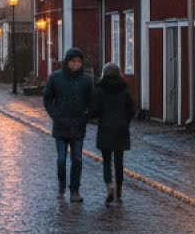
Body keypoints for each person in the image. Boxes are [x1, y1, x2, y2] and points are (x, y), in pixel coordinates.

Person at [43, 48, 93, 203]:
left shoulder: (86, 80)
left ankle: (74, 190)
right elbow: (47, 98)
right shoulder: (56, 78)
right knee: (61, 159)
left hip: (78, 125)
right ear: (67, 62)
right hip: (61, 125)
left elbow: (92, 100)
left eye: (78, 62)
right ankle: (62, 183)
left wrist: (86, 116)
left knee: (77, 158)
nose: (76, 64)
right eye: (73, 61)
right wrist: (55, 115)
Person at [91, 63, 135, 204]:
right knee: (119, 161)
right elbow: (132, 109)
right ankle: (119, 190)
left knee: (107, 161)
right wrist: (125, 122)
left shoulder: (99, 90)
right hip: (121, 129)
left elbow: (95, 110)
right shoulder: (124, 90)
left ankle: (109, 184)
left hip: (105, 128)